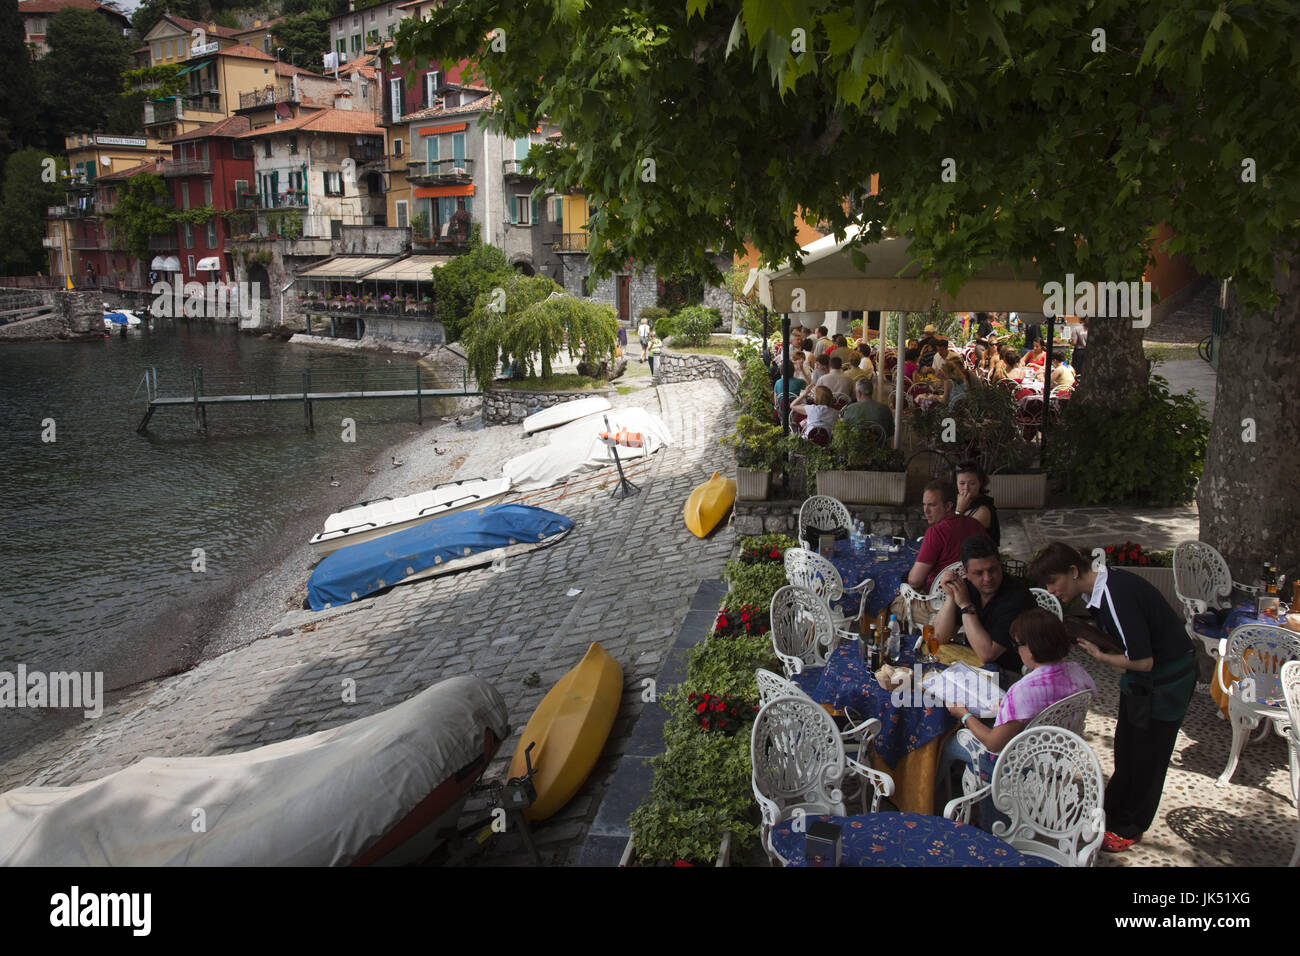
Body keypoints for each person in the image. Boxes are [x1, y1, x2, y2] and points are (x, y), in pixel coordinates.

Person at [1029, 542, 1197, 853]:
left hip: (1166, 680)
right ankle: (1113, 816)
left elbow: (1144, 661)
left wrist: (1100, 657)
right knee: (1128, 748)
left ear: (1073, 571)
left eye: (1054, 582)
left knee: (1148, 755)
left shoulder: (1115, 594)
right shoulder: (1098, 589)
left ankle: (1131, 827)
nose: (1051, 591)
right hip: (1143, 681)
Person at [939, 609, 1097, 830]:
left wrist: (963, 714)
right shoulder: (1078, 672)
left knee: (949, 744)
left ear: (1030, 649)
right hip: (1055, 756)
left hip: (1019, 763)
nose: (1018, 651)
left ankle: (932, 805)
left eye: (1018, 645)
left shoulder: (1025, 690)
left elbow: (994, 744)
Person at [932, 534, 1036, 675]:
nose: (987, 578)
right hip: (972, 665)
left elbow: (988, 654)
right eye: (979, 573)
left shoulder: (1017, 598)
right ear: (965, 572)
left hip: (1010, 673)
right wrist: (951, 595)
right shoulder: (967, 588)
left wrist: (965, 605)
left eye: (992, 569)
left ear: (1000, 565)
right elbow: (938, 637)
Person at [900, 480, 989, 594]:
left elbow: (915, 581)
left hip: (940, 601)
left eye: (932, 505)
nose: (926, 511)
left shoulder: (936, 532)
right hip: (975, 594)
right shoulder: (975, 524)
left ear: (948, 506)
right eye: (924, 505)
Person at [955, 460, 1000, 545]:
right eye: (962, 483)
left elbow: (954, 536)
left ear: (980, 483)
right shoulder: (959, 501)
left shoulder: (983, 511)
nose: (966, 488)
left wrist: (958, 511)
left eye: (972, 484)